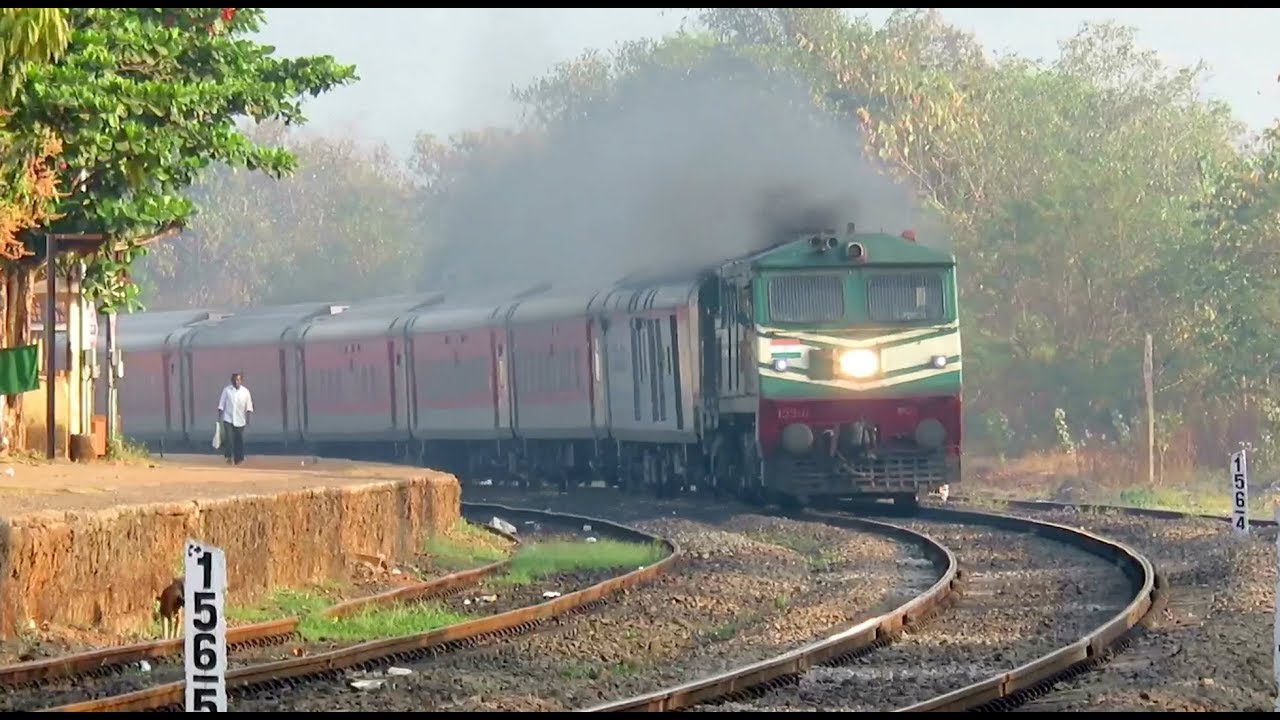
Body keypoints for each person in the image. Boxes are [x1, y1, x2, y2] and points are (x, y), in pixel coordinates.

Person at [217, 373, 253, 465]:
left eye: (238, 380)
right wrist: (219, 418)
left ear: (241, 381)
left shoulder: (245, 392)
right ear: (231, 381)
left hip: (240, 420)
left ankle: (238, 458)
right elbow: (221, 404)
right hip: (228, 419)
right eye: (234, 380)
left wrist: (248, 419)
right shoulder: (227, 390)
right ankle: (228, 457)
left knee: (239, 439)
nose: (236, 382)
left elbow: (249, 407)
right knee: (229, 438)